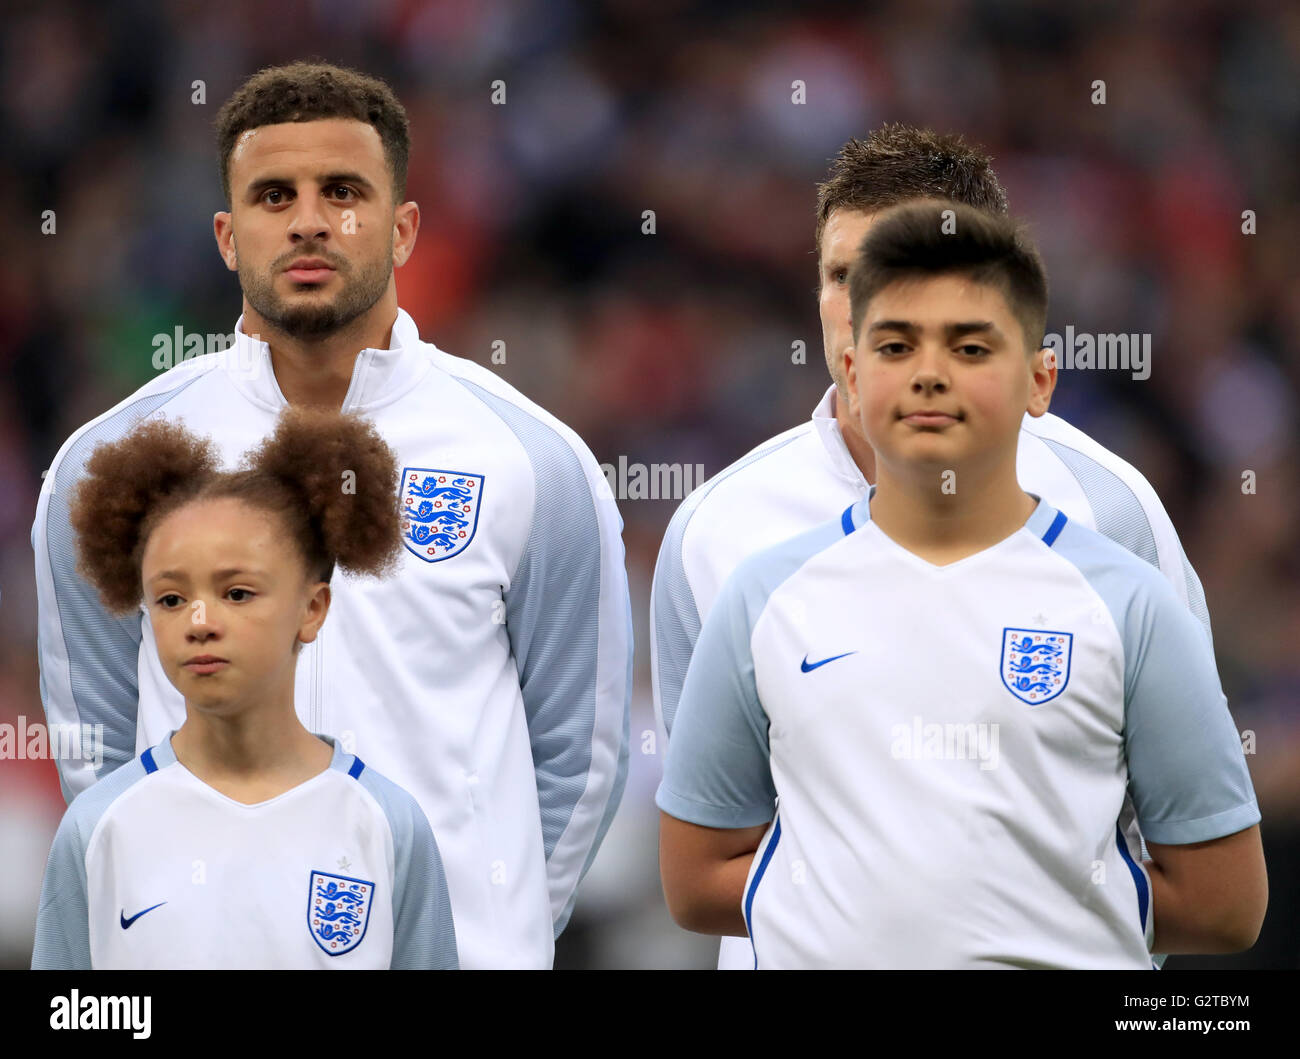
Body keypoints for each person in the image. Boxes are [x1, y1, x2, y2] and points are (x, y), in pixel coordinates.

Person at [31, 61, 632, 969]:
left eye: (343, 192)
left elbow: (579, 754)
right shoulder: (106, 467)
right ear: (229, 238)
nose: (310, 219)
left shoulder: (532, 463)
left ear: (403, 229)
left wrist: (489, 933)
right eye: (275, 195)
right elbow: (97, 755)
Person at [650, 125, 1217, 969]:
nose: (868, 305)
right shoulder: (716, 528)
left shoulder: (1110, 509)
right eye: (844, 276)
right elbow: (715, 832)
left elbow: (1178, 834)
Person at [32, 407, 457, 969]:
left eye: (236, 593)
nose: (199, 620)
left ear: (312, 608)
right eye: (170, 599)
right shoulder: (97, 827)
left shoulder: (388, 823)